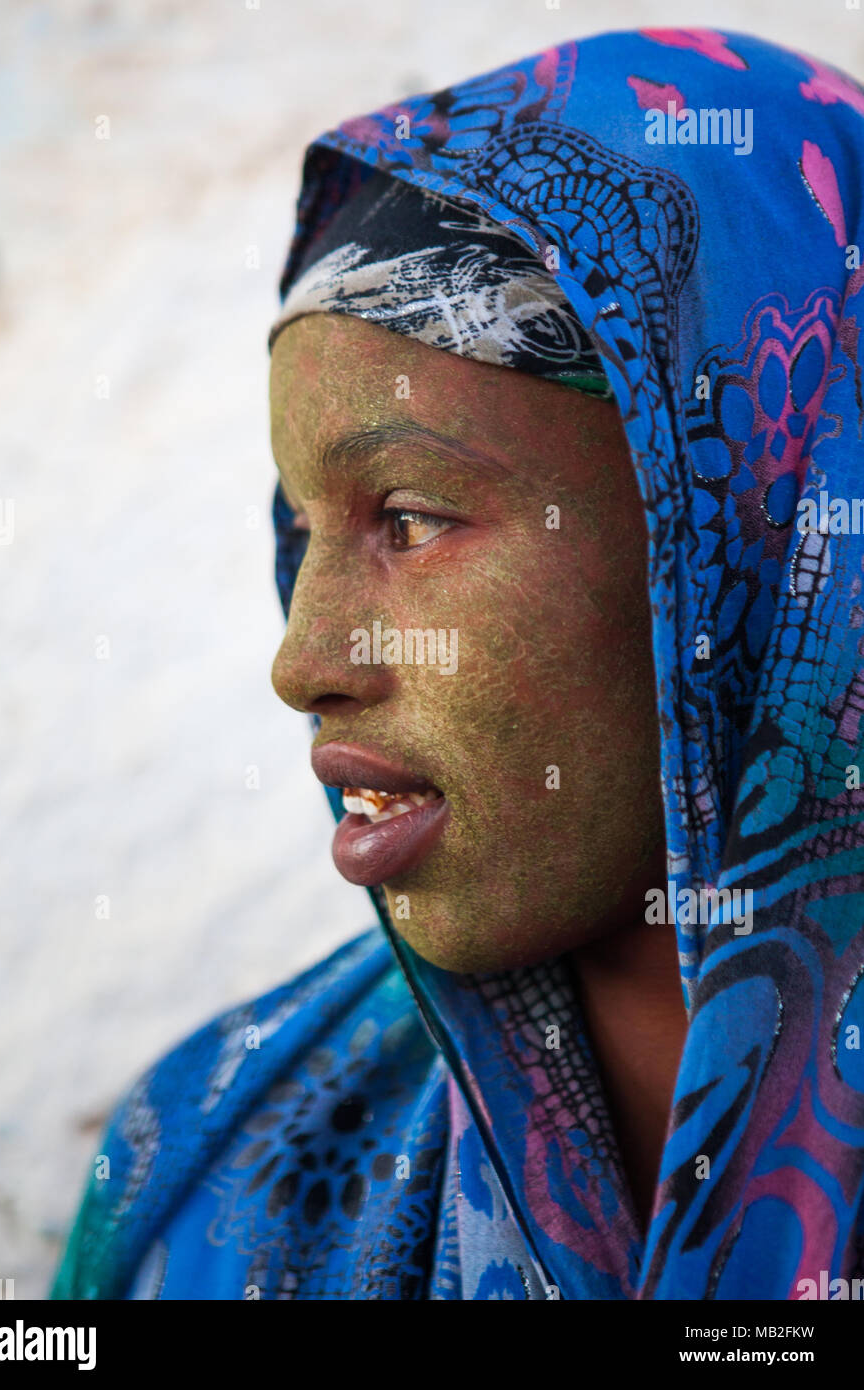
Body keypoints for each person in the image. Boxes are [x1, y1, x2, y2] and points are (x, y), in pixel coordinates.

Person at [50, 27, 864, 1300]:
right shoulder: (206, 1174)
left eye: (412, 517)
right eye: (303, 530)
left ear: (745, 530)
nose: (304, 662)